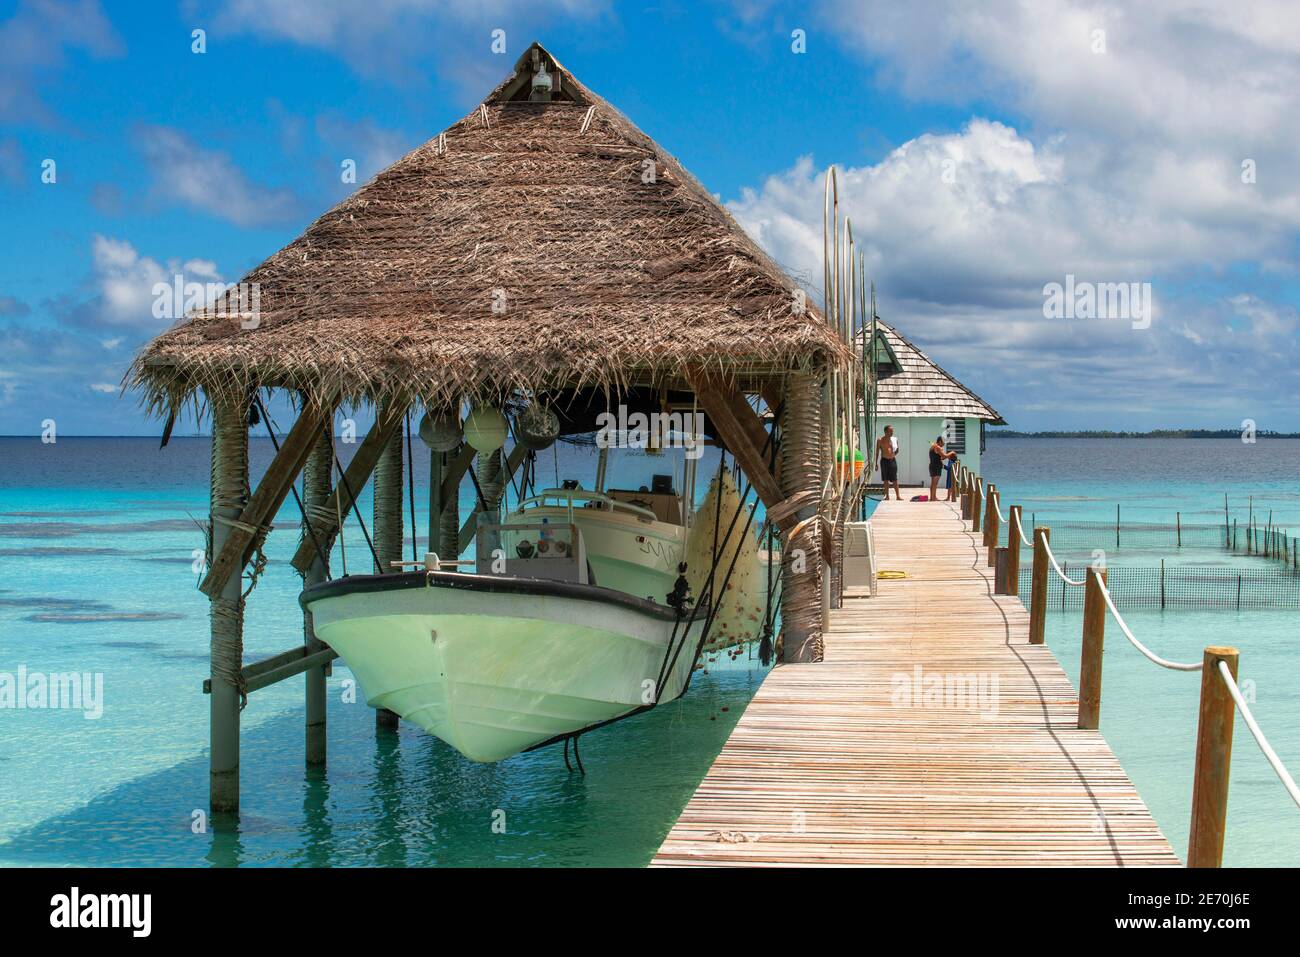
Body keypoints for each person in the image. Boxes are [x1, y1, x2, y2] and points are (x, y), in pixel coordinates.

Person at [875, 425, 902, 501]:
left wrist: (892, 455)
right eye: (890, 431)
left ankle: (898, 496)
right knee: (885, 479)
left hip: (892, 460)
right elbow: (877, 452)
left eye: (892, 431)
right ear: (886, 432)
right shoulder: (880, 440)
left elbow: (897, 450)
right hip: (884, 460)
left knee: (895, 479)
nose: (892, 432)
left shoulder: (894, 439)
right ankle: (887, 496)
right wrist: (876, 463)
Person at [929, 436, 954, 502]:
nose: (944, 444)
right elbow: (944, 456)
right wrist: (952, 453)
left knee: (933, 483)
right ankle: (933, 498)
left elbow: (940, 457)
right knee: (935, 483)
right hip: (936, 466)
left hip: (932, 465)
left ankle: (933, 497)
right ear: (940, 441)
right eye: (943, 442)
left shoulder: (933, 446)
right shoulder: (938, 447)